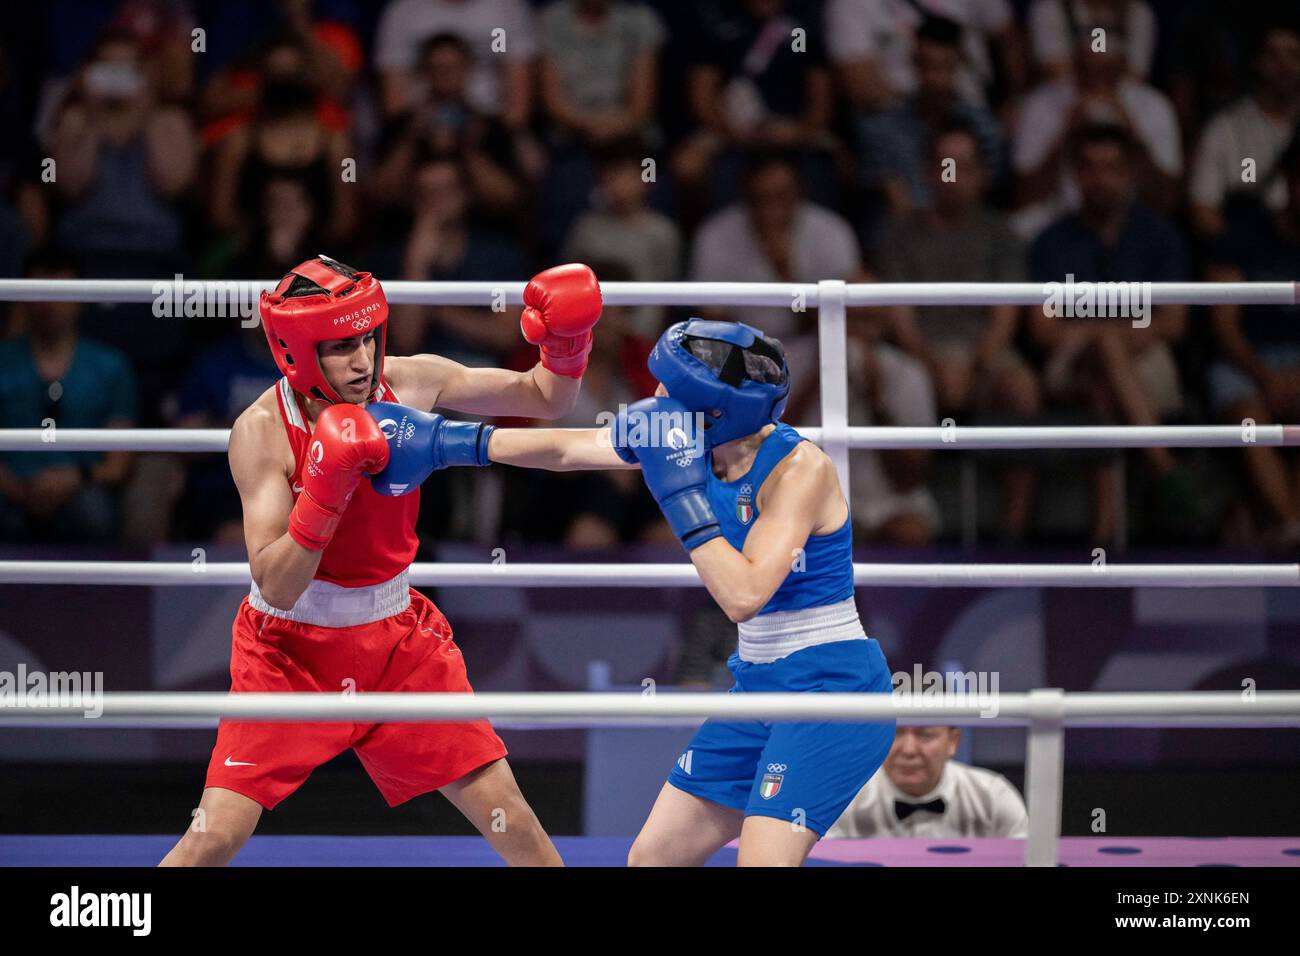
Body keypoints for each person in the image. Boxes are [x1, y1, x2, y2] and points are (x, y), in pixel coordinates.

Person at [160, 255, 602, 866]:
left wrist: (567, 344)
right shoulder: (260, 431)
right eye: (342, 347)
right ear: (296, 352)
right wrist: (324, 491)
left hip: (398, 644)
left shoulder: (412, 381)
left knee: (514, 820)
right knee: (212, 837)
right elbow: (277, 584)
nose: (364, 361)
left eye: (369, 338)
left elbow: (545, 400)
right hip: (287, 654)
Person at [462, 319, 895, 865]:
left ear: (714, 412)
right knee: (653, 858)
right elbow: (564, 448)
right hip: (759, 683)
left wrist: (681, 497)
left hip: (832, 690)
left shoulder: (799, 469)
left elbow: (743, 594)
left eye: (671, 389)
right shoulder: (684, 438)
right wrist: (446, 442)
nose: (657, 397)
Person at [827, 726, 1029, 838]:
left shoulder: (993, 795)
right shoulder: (843, 800)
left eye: (925, 735)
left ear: (953, 742)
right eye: (895, 733)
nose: (909, 750)